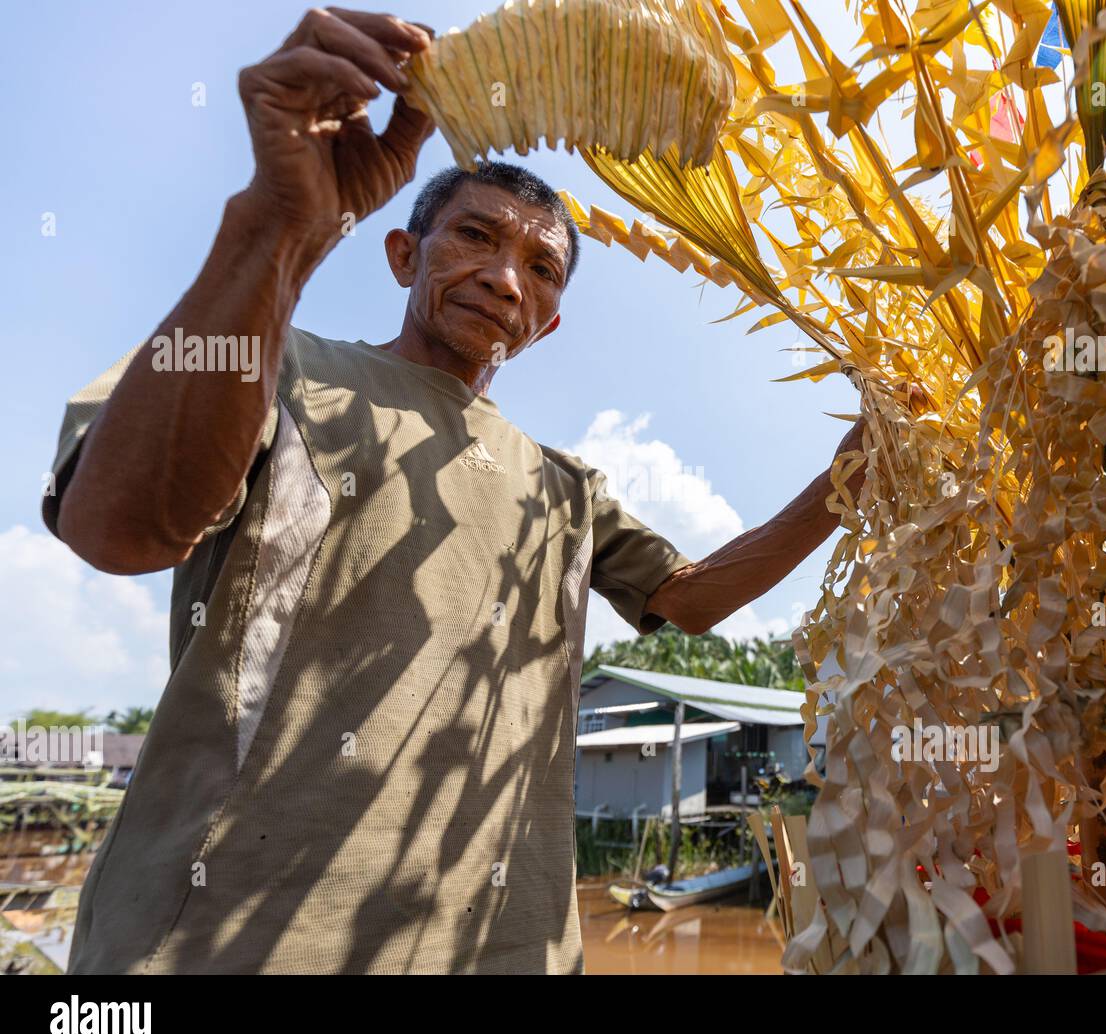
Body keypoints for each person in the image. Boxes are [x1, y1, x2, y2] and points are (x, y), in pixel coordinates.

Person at [42, 7, 868, 974]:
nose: (506, 278)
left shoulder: (564, 486)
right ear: (403, 254)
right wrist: (280, 222)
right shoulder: (269, 363)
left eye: (541, 267)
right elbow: (119, 529)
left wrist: (850, 474)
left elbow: (692, 594)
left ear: (550, 322)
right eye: (475, 236)